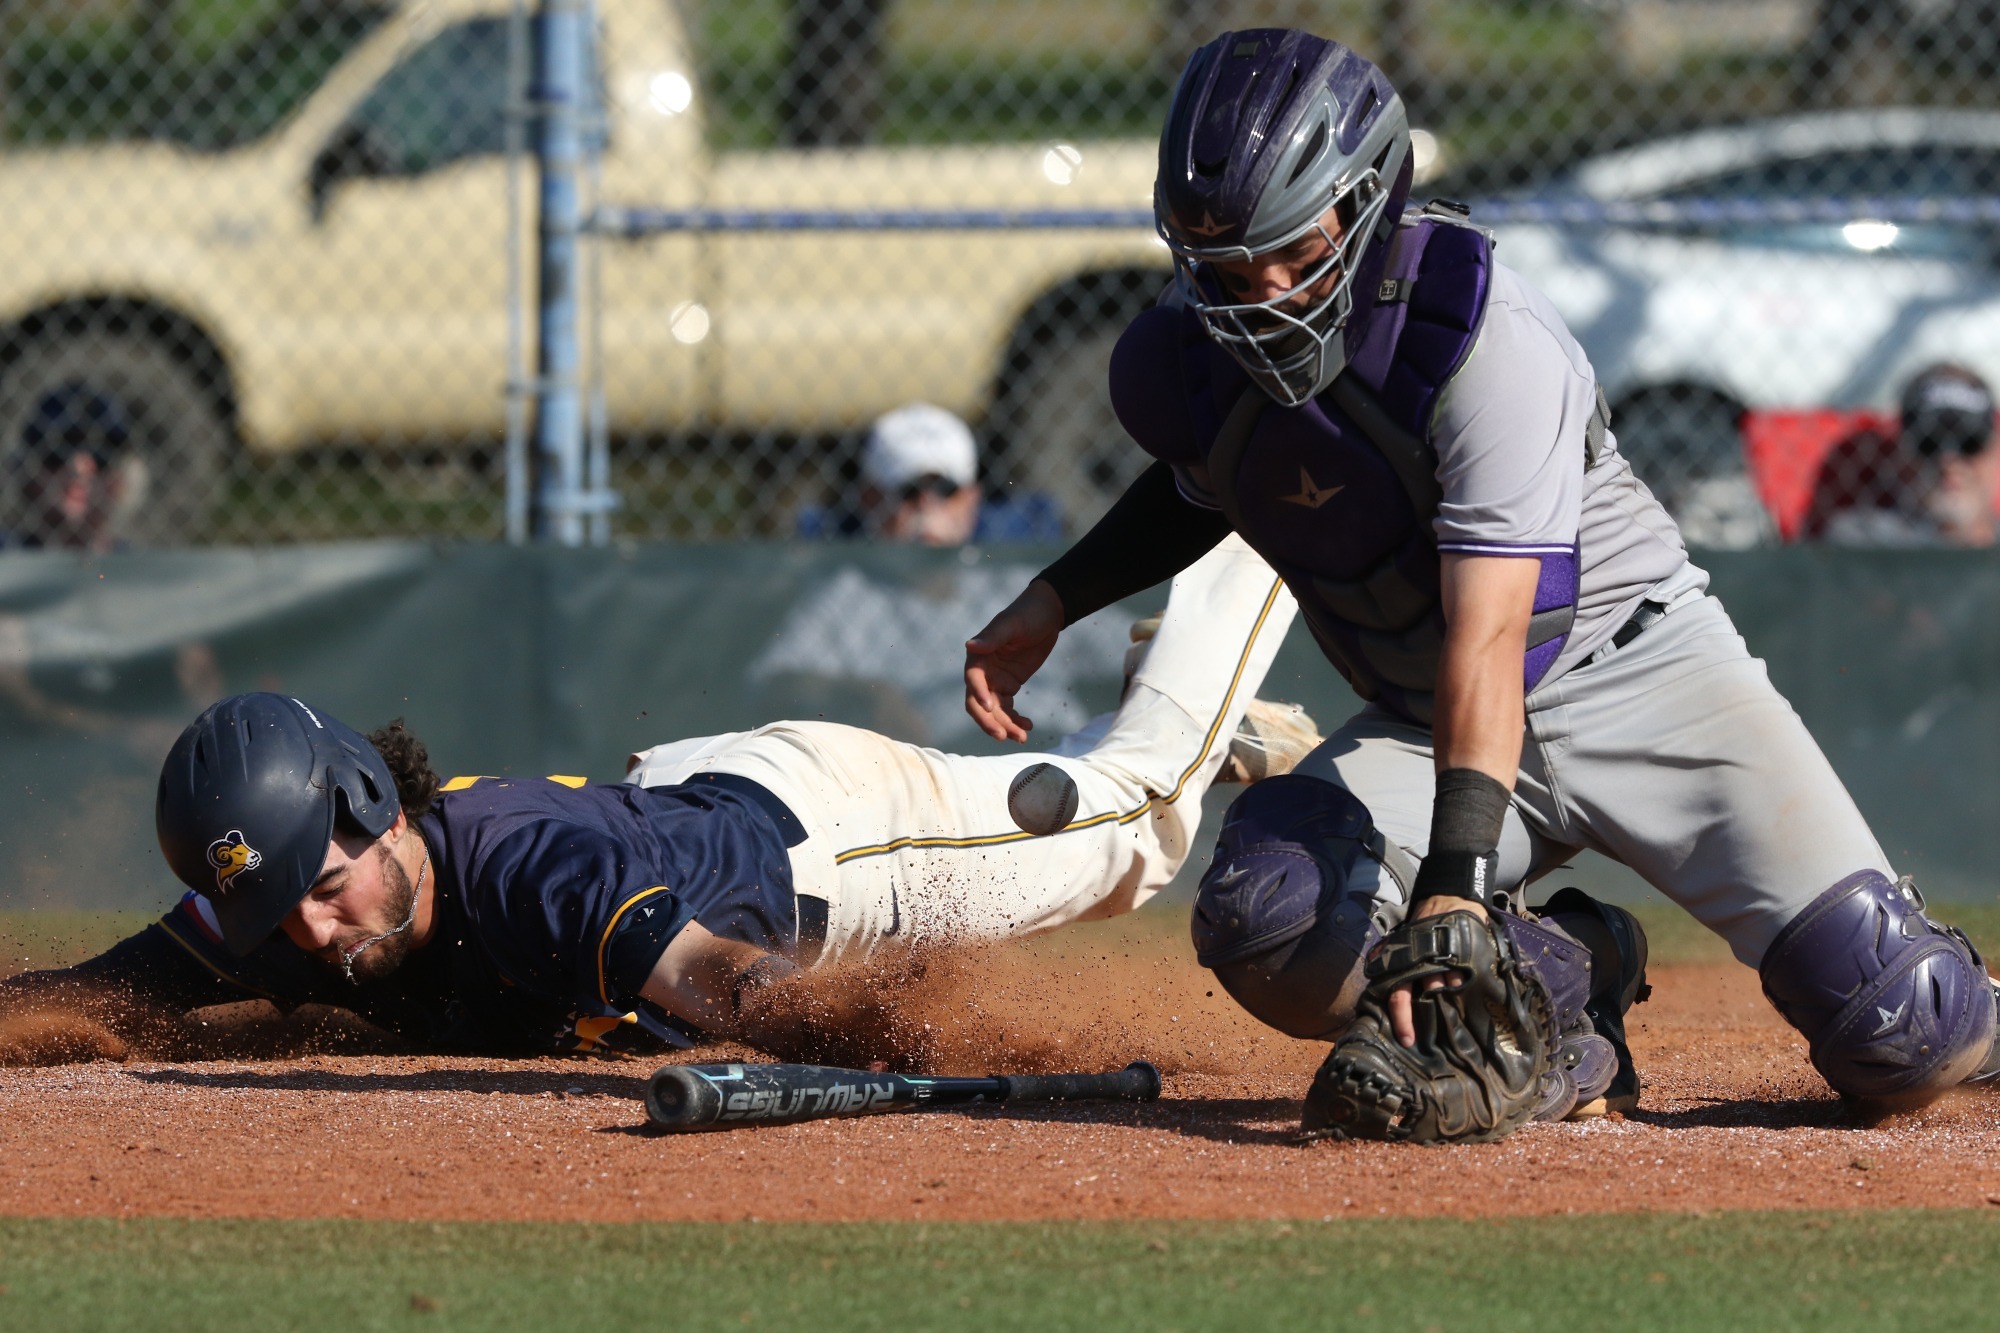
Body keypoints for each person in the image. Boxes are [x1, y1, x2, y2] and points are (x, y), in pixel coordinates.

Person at [963, 28, 1998, 1134]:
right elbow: (1201, 481)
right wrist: (1054, 597)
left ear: (1366, 205)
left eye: (1292, 252)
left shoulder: (1474, 332)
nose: (1258, 297)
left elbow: (1493, 632)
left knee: (1904, 1028)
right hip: (1424, 720)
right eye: (1222, 267)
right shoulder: (1187, 358)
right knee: (1270, 918)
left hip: (1636, 674)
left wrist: (1451, 883)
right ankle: (1568, 996)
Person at [1, 538, 1309, 1062]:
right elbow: (117, 986)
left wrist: (869, 1035)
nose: (316, 938)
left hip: (843, 843)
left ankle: (1258, 526)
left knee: (1136, 825)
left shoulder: (528, 879)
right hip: (682, 793)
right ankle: (1172, 713)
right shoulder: (303, 889)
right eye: (279, 916)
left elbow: (710, 983)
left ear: (367, 802)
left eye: (325, 890)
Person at [1802, 364, 1997, 547]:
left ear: (1994, 452)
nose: (1949, 461)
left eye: (1969, 443)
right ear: (1902, 454)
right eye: (1929, 444)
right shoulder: (1865, 541)